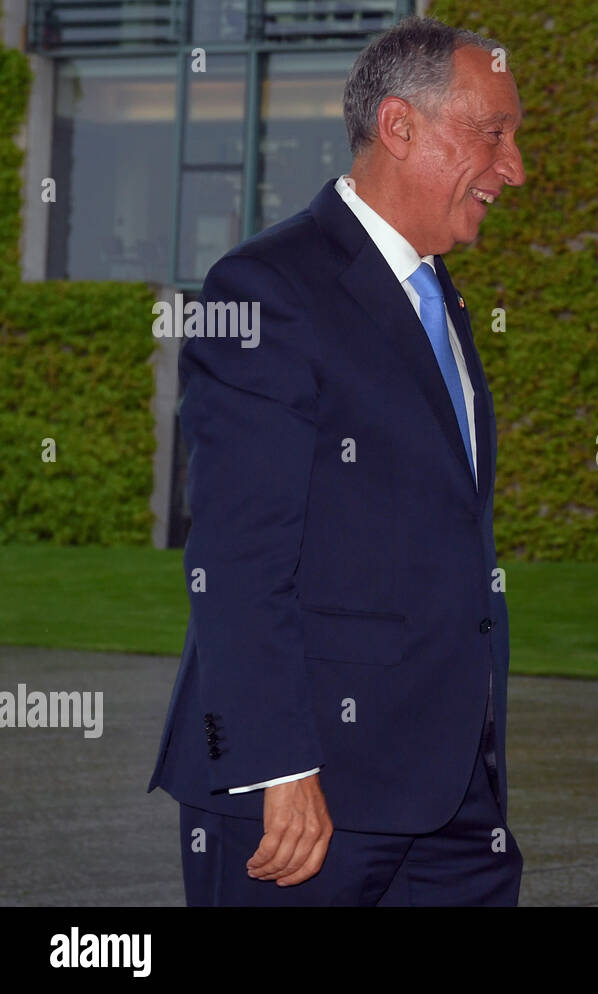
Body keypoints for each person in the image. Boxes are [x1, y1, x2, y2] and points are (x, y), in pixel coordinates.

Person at [148, 15, 526, 906]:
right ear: (400, 126)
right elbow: (238, 556)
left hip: (455, 803)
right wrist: (276, 761)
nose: (515, 167)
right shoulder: (265, 289)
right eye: (495, 133)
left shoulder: (442, 299)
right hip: (303, 799)